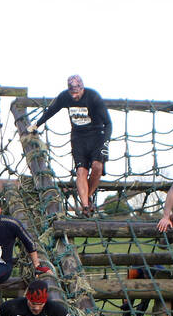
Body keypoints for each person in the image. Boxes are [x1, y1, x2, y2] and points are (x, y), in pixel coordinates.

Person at [27, 75, 112, 217]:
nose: (74, 96)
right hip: (78, 137)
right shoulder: (65, 97)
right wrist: (36, 124)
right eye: (72, 93)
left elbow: (108, 123)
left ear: (82, 89)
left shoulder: (93, 97)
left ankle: (88, 196)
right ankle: (85, 206)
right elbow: (51, 110)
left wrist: (105, 144)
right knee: (81, 172)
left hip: (97, 136)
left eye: (77, 93)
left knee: (97, 167)